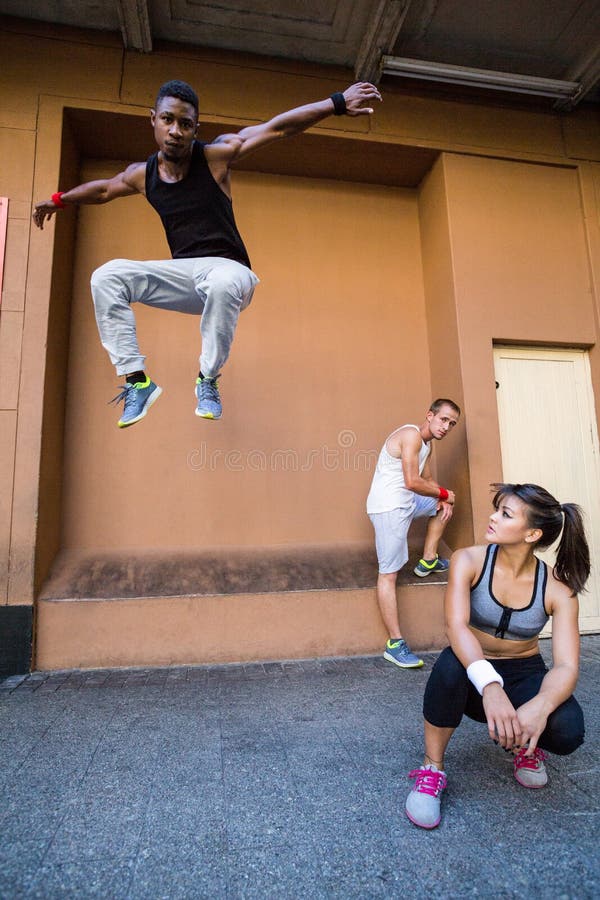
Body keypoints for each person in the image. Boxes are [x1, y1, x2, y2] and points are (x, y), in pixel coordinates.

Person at [33, 79, 382, 427]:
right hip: (186, 276)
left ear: (195, 128)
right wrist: (61, 200)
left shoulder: (216, 157)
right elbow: (105, 190)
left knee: (223, 281)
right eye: (168, 120)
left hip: (232, 275)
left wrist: (337, 103)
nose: (175, 131)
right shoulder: (142, 176)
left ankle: (207, 379)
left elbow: (277, 129)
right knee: (107, 276)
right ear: (152, 119)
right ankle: (137, 381)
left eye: (185, 124)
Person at [405, 482, 590, 830]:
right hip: (470, 671)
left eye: (505, 514)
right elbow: (456, 627)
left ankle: (526, 746)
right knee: (448, 667)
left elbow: (566, 665)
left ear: (532, 533)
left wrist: (542, 705)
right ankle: (432, 768)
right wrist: (490, 686)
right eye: (497, 509)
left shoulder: (557, 589)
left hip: (524, 672)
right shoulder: (468, 560)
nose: (492, 517)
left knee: (568, 730)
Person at [366, 399, 461, 668]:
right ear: (430, 416)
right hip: (389, 508)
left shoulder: (426, 446)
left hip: (406, 502)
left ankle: (428, 559)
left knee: (443, 505)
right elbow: (412, 481)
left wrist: (443, 498)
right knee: (388, 574)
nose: (447, 427)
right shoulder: (411, 436)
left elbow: (427, 480)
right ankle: (394, 644)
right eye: (443, 420)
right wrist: (444, 493)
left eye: (452, 424)